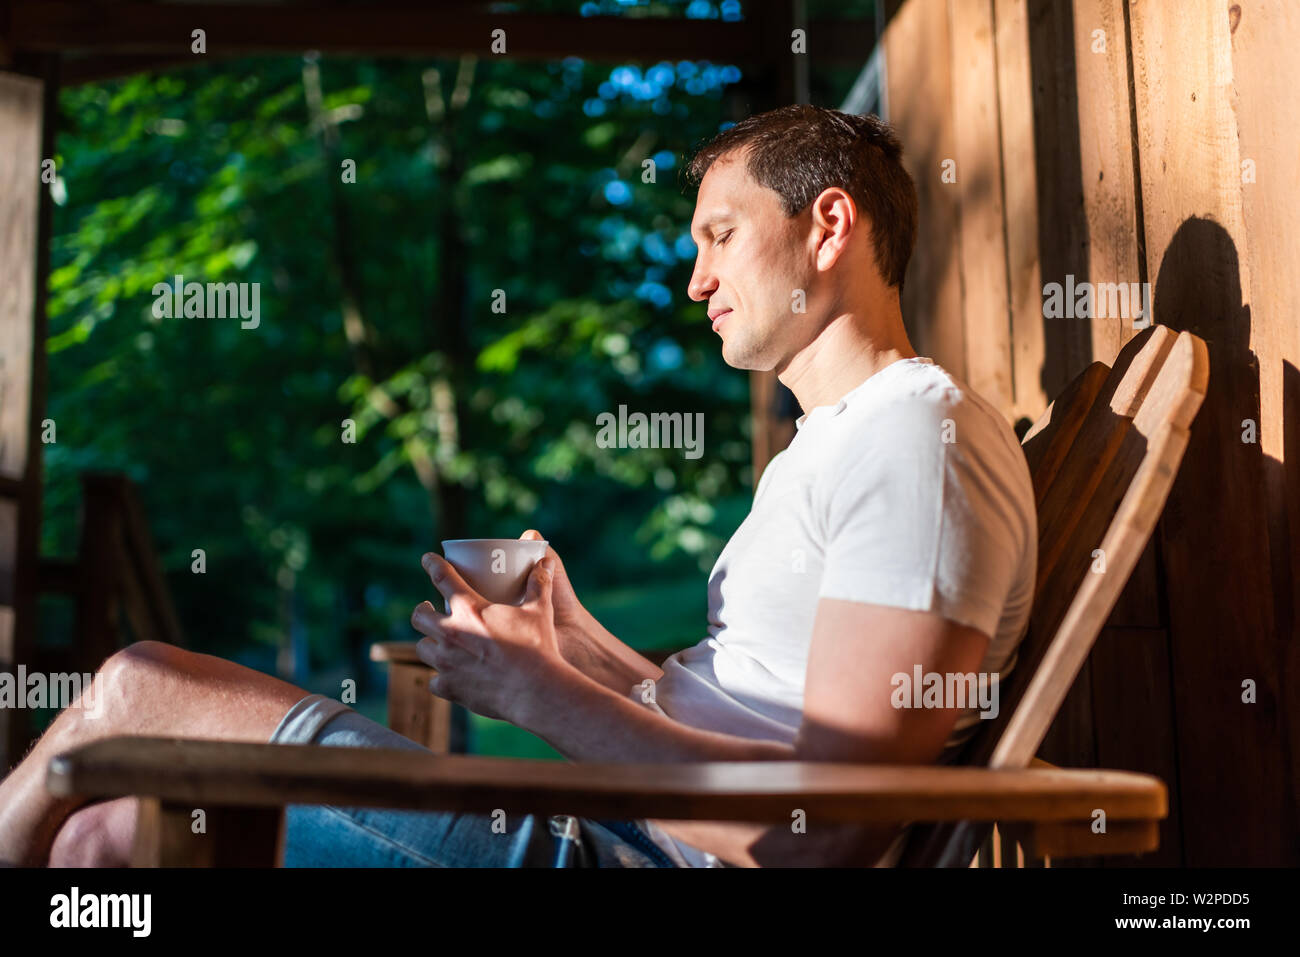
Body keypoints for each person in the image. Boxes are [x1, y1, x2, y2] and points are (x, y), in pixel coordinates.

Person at [0, 104, 1035, 868]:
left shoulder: (914, 441)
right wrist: (573, 645)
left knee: (136, 695)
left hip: (632, 855)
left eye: (719, 235)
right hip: (627, 827)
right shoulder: (839, 443)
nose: (695, 282)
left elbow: (833, 824)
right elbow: (752, 721)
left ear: (827, 225)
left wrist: (537, 695)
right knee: (97, 828)